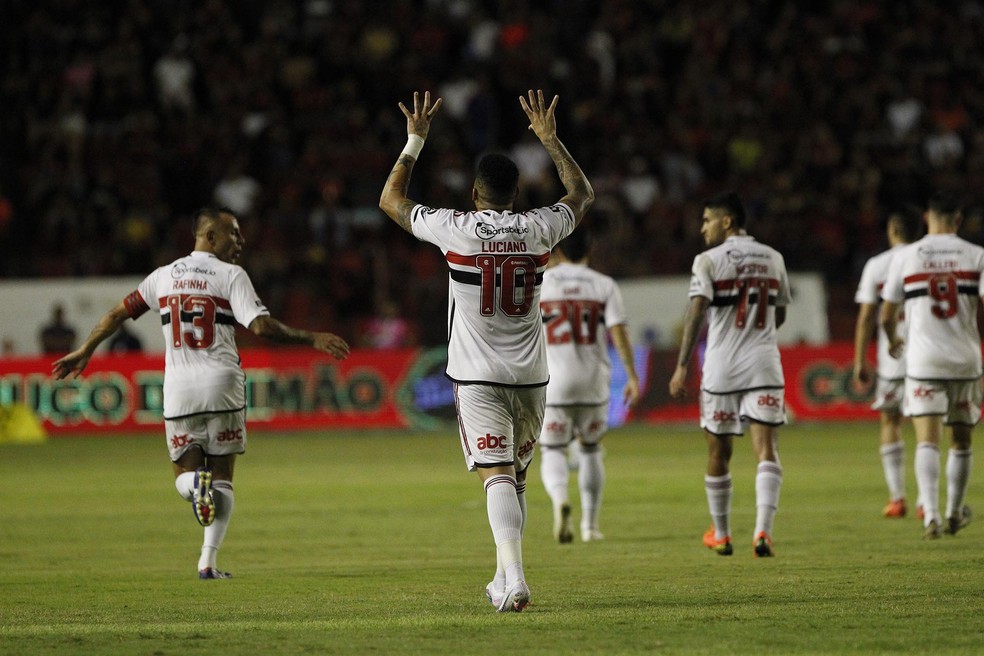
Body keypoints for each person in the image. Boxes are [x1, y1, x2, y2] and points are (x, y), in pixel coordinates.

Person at [379, 90, 594, 611]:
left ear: (475, 192)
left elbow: (390, 200)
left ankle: (516, 580)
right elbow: (582, 194)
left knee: (495, 474)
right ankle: (503, 577)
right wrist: (550, 140)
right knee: (515, 478)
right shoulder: (539, 227)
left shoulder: (457, 229)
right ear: (516, 193)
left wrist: (414, 141)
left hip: (478, 376)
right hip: (532, 376)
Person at [52, 207, 350, 578]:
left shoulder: (163, 276)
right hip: (223, 385)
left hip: (180, 389)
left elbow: (116, 314)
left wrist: (86, 349)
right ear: (210, 236)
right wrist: (311, 337)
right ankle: (207, 561)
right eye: (233, 233)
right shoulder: (230, 275)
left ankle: (195, 487)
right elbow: (260, 326)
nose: (240, 240)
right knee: (223, 476)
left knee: (185, 474)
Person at [668, 191, 790, 557]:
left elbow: (696, 312)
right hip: (764, 364)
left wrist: (682, 365)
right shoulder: (773, 257)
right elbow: (779, 313)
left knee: (718, 449)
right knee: (766, 448)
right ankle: (763, 531)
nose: (702, 228)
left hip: (722, 367)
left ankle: (721, 534)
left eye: (707, 221)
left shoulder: (708, 260)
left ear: (727, 221)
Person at [880, 192, 977, 539]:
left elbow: (886, 315)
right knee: (961, 440)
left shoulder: (906, 256)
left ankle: (931, 516)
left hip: (923, 360)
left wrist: (893, 340)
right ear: (958, 219)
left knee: (927, 440)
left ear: (926, 217)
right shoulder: (976, 255)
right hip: (965, 359)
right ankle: (954, 512)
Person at [537, 228, 640, 544]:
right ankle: (590, 527)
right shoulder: (603, 284)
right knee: (591, 448)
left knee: (553, 449)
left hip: (553, 381)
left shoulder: (541, 283)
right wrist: (632, 376)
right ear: (590, 250)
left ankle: (560, 499)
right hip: (593, 381)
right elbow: (618, 332)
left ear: (558, 251)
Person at [852, 207, 923, 519]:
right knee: (927, 425)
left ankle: (897, 498)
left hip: (892, 360)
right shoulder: (927, 259)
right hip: (926, 356)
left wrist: (859, 361)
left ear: (892, 230)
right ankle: (926, 501)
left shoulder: (878, 264)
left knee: (890, 421)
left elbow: (867, 316)